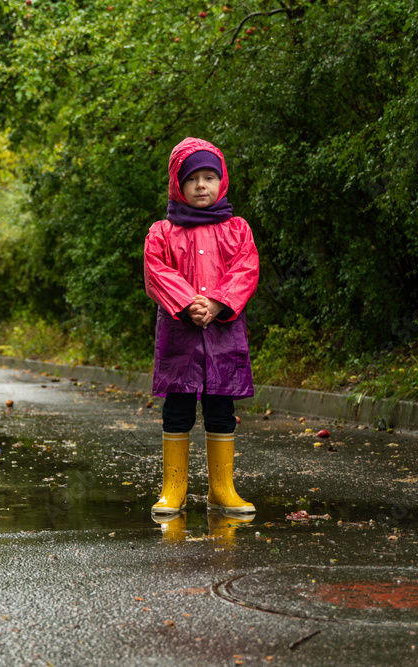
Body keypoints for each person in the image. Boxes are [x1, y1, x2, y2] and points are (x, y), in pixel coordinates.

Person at [143, 137, 259, 518]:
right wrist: (189, 302)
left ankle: (221, 488)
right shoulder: (162, 231)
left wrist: (217, 303)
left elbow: (246, 269)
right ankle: (173, 487)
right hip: (180, 335)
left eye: (210, 177)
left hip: (224, 334)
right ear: (179, 184)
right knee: (177, 409)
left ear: (222, 181)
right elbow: (157, 271)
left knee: (220, 409)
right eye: (192, 179)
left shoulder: (237, 229)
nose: (201, 186)